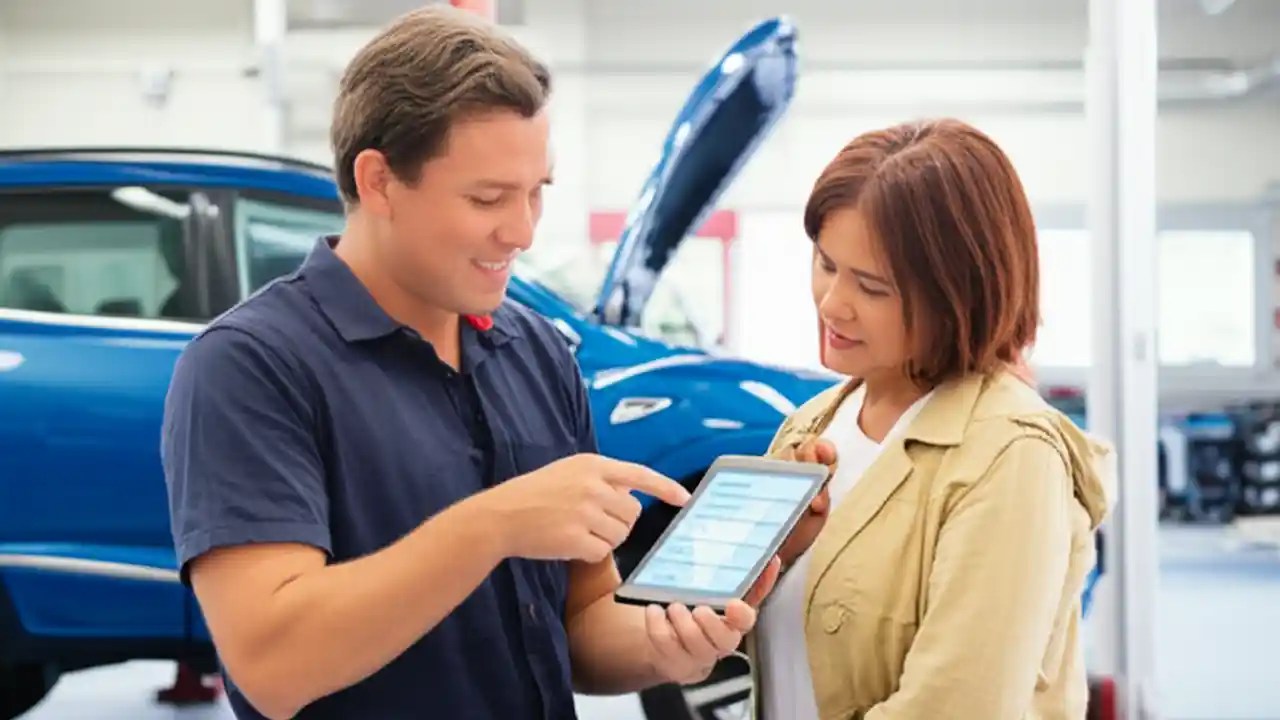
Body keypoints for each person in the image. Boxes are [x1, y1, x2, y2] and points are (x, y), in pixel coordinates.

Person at [159, 7, 777, 720]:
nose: (521, 230)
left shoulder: (537, 351)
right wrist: (494, 526)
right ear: (379, 181)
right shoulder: (251, 367)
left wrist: (668, 646)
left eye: (536, 190)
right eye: (487, 197)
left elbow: (580, 622)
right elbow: (274, 664)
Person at [750, 118, 1115, 720]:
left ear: (957, 296)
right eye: (825, 262)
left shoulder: (1010, 455)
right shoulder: (812, 426)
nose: (831, 302)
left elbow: (957, 706)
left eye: (871, 286)